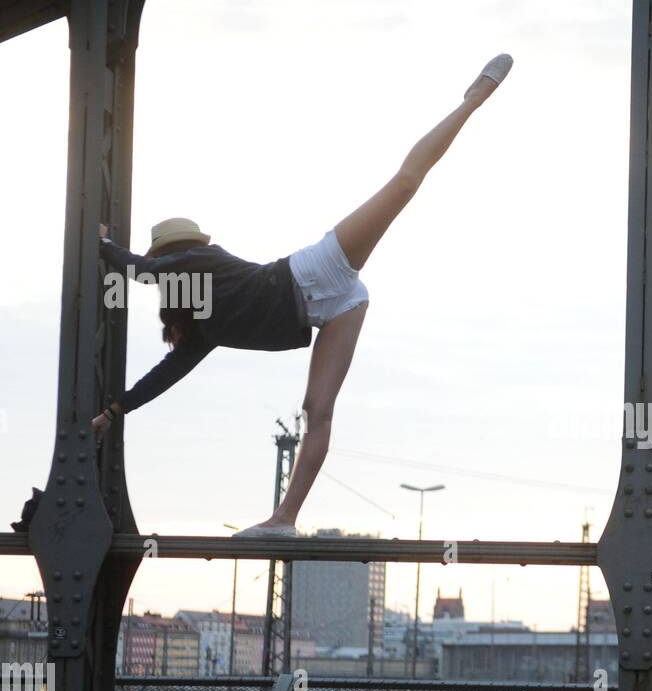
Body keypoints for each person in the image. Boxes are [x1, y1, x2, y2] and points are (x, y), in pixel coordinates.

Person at [91, 54, 513, 537]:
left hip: (317, 270)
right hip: (337, 308)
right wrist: (115, 411)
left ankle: (471, 101)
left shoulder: (198, 262)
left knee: (403, 184)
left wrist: (99, 245)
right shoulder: (204, 325)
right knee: (316, 411)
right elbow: (168, 373)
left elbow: (143, 272)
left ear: (176, 255)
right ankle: (284, 520)